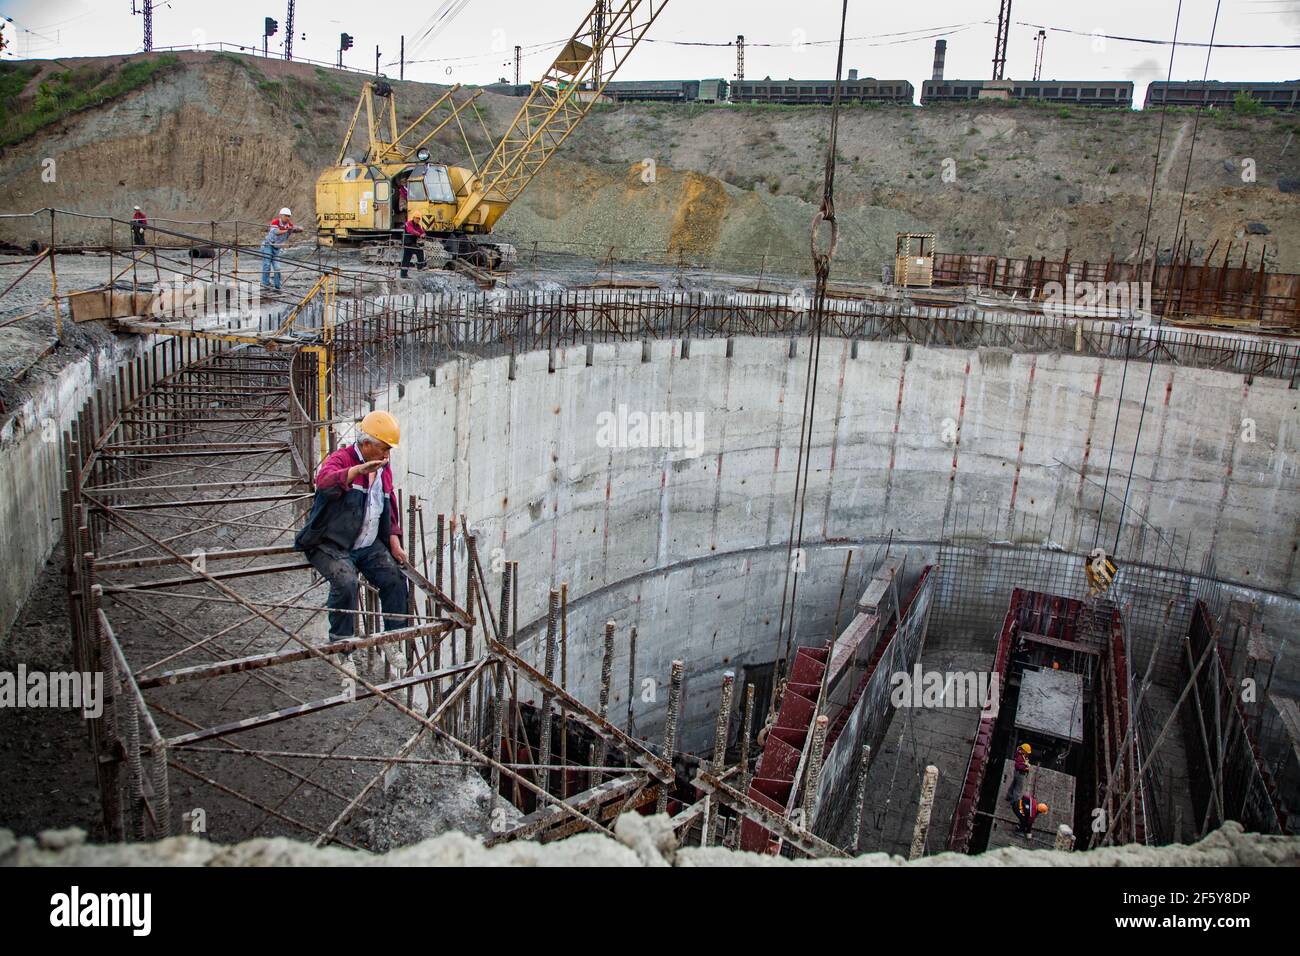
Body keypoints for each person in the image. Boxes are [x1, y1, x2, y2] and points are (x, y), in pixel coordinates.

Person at [294, 411, 409, 673]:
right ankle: (342, 647)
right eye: (383, 448)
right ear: (366, 444)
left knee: (394, 579)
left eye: (389, 450)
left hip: (366, 544)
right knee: (346, 582)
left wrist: (394, 542)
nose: (386, 455)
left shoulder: (383, 467)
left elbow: (387, 505)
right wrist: (358, 470)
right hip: (331, 542)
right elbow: (323, 482)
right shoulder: (342, 459)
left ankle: (393, 638)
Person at [260, 207, 302, 291]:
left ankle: (277, 286)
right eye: (286, 216)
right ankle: (265, 284)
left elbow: (300, 229)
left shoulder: (289, 225)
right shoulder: (275, 222)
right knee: (267, 265)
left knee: (277, 268)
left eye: (289, 216)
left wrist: (297, 229)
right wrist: (287, 230)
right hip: (268, 245)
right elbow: (276, 232)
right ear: (281, 215)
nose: (287, 218)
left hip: (276, 248)